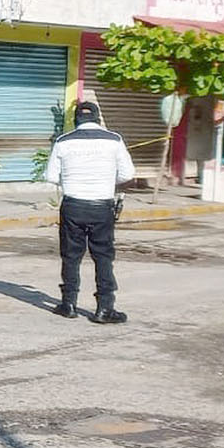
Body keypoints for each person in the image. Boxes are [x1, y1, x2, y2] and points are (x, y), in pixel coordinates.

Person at [45, 99, 136, 324]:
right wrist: (104, 180)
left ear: (76, 119)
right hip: (101, 206)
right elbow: (127, 174)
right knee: (103, 257)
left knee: (71, 255)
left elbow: (50, 176)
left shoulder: (63, 141)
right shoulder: (114, 140)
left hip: (73, 206)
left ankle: (68, 304)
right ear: (98, 118)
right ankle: (104, 308)